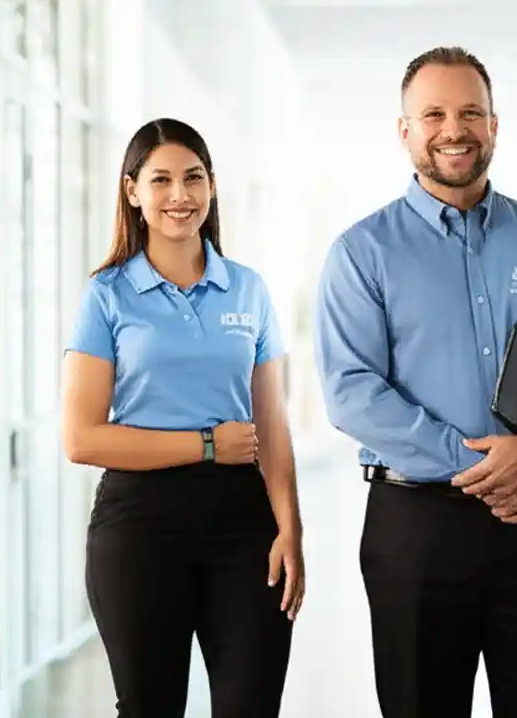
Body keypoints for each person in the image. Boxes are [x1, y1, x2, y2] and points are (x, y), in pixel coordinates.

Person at [313, 46, 517, 718]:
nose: (452, 128)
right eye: (432, 113)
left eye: (470, 112)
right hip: (417, 530)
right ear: (405, 131)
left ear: (494, 125)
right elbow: (352, 390)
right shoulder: (362, 253)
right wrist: (492, 466)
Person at [61, 118, 304, 717]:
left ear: (212, 186)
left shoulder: (248, 290)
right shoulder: (107, 296)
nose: (180, 196)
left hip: (244, 528)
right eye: (161, 179)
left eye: (193, 178)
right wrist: (205, 444)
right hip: (139, 528)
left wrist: (290, 527)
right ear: (132, 191)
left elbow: (271, 425)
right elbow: (80, 437)